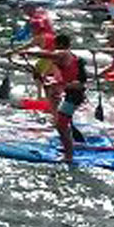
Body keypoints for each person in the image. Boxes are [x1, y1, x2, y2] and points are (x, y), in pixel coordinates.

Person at [35, 33, 87, 163]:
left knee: (61, 125)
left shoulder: (63, 54)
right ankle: (68, 150)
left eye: (55, 45)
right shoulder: (71, 57)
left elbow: (78, 84)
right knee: (62, 124)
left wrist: (25, 52)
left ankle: (69, 156)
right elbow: (64, 79)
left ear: (60, 44)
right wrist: (53, 83)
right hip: (71, 95)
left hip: (74, 96)